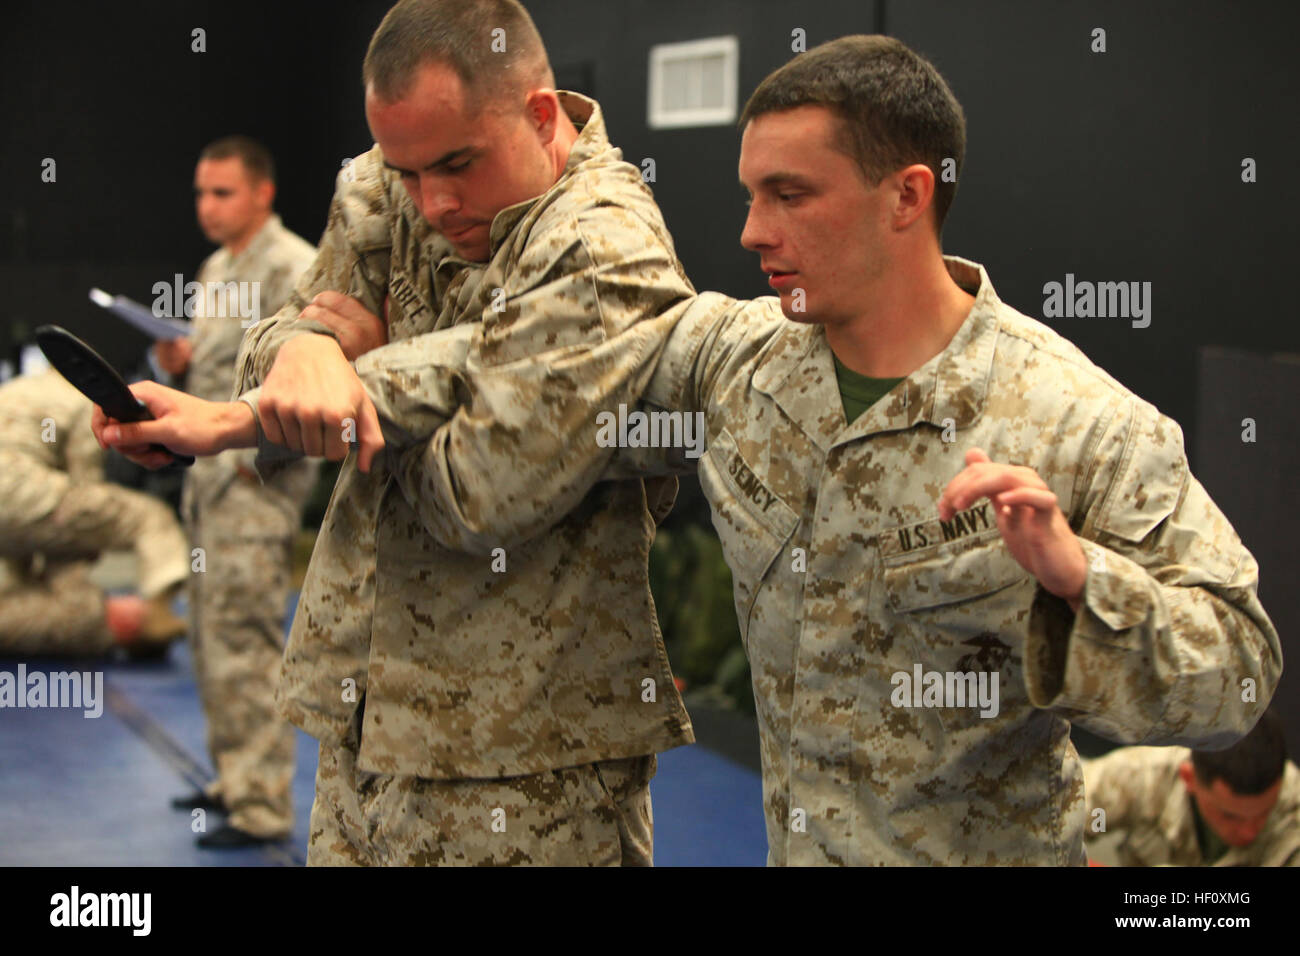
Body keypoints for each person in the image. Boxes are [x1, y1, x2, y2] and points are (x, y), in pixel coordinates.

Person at [100, 33, 1282, 865]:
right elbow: (522, 372)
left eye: (788, 194)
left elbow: (1236, 672)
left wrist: (1082, 584)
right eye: (746, 191)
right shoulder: (737, 360)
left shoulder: (1073, 418)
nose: (749, 230)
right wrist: (257, 403)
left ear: (906, 196)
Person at [98, 0, 696, 866]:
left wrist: (355, 371)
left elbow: (482, 491)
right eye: (409, 172)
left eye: (457, 163)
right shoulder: (386, 179)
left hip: (527, 761)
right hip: (364, 719)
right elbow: (271, 350)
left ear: (539, 115)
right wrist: (307, 346)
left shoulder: (603, 242)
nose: (433, 202)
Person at [151, 135, 319, 849]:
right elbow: (217, 370)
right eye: (200, 193)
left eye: (222, 193)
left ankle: (261, 806)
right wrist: (176, 360)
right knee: (209, 637)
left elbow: (312, 374)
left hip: (255, 484)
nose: (207, 207)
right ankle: (232, 776)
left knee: (246, 640)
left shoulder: (298, 265)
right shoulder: (217, 267)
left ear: (262, 193)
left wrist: (263, 464)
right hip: (208, 486)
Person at [0, 367, 188, 657]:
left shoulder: (16, 389)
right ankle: (157, 610)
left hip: (21, 508)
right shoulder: (83, 398)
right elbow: (85, 489)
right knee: (150, 517)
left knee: (34, 575)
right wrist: (92, 537)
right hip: (27, 493)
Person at [1084, 709, 1299, 866]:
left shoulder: (1294, 805)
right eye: (1230, 816)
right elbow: (1052, 820)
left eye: (1263, 813)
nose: (1248, 831)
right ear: (1190, 779)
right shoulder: (1143, 775)